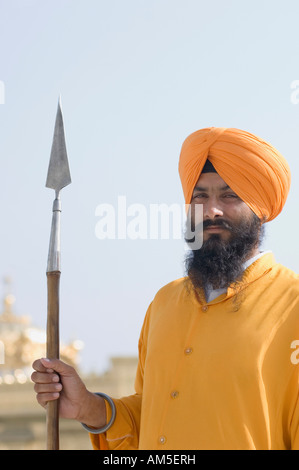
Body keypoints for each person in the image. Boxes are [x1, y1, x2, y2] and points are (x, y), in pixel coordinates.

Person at [32, 127, 299, 450]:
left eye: (229, 196)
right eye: (200, 195)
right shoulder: (165, 302)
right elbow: (150, 418)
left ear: (261, 208)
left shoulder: (292, 306)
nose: (211, 210)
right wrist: (89, 406)